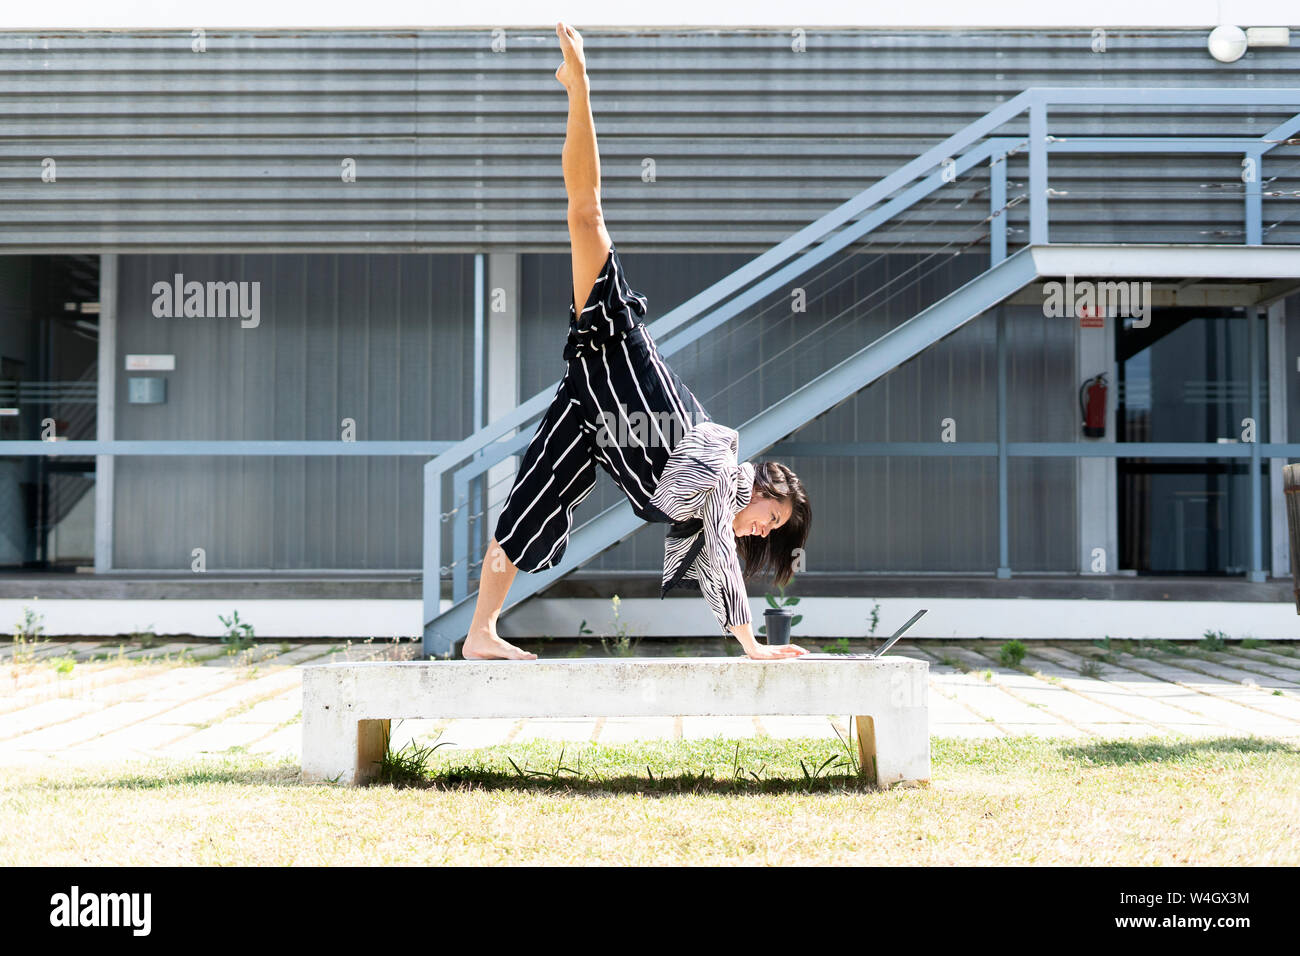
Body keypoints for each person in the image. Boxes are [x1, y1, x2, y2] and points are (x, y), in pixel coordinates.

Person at [458, 22, 812, 662]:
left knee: (524, 510)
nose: (762, 528)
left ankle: (479, 633)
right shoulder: (722, 475)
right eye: (771, 515)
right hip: (616, 350)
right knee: (586, 213)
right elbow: (721, 558)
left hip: (590, 406)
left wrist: (749, 642)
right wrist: (752, 643)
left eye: (771, 530)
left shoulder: (706, 513)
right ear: (759, 486)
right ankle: (580, 85)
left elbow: (712, 557)